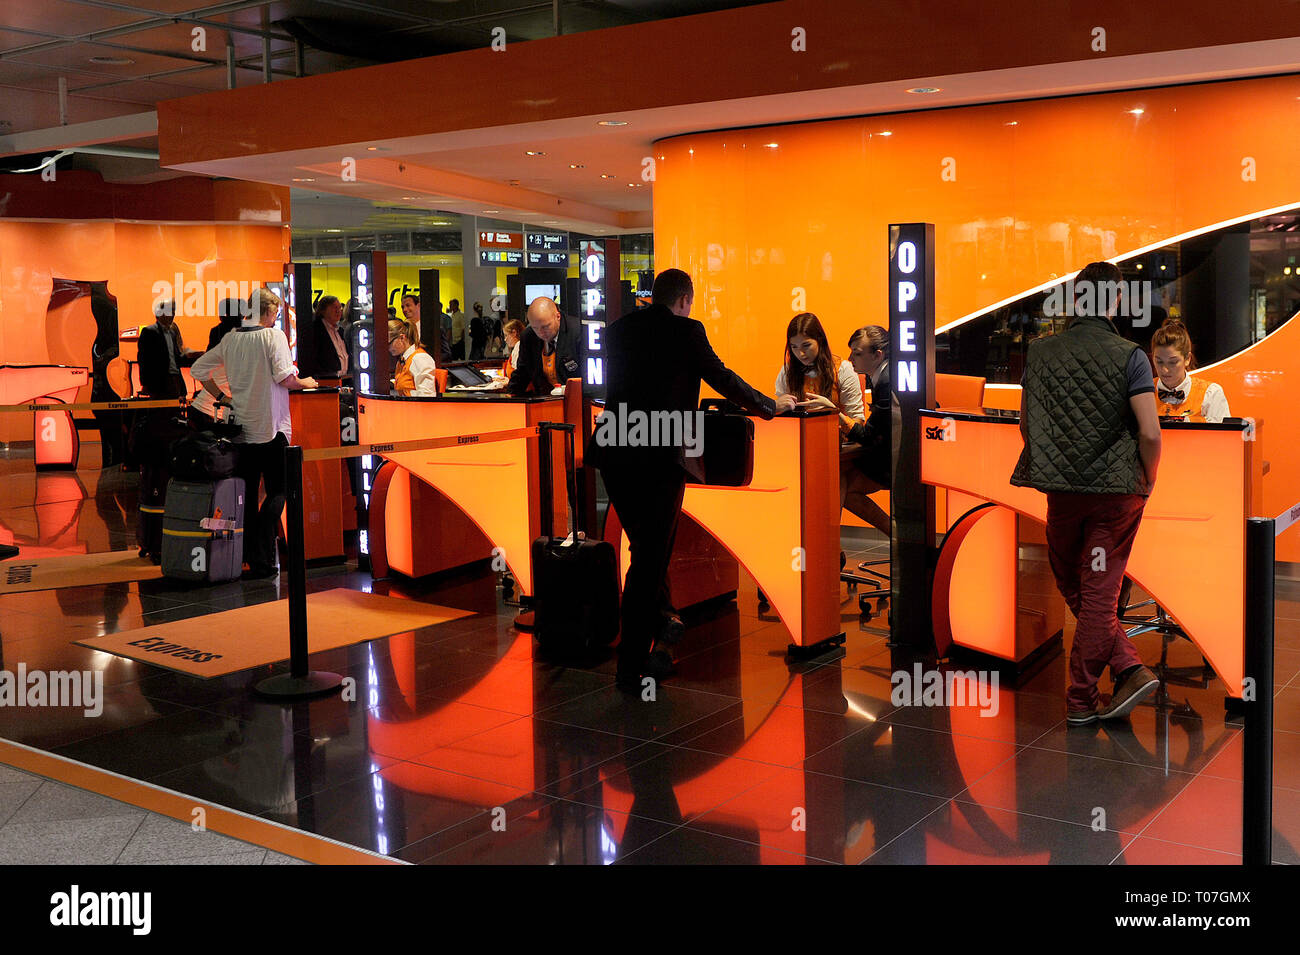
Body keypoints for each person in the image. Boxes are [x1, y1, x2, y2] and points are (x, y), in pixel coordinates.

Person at [591, 268, 798, 689]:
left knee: (647, 550)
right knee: (649, 560)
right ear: (685, 300)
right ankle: (631, 667)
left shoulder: (618, 330)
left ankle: (664, 628)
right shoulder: (687, 331)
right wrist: (768, 406)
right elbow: (720, 377)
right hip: (659, 457)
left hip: (614, 452)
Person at [1011, 261, 1161, 725]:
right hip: (1117, 493)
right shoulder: (1130, 355)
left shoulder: (1039, 353)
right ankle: (1103, 683)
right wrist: (1149, 477)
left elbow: (1025, 425)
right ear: (1115, 300)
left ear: (1077, 299)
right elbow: (1150, 433)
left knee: (1071, 579)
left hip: (1063, 492)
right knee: (1097, 590)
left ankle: (1107, 681)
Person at [190, 288, 318, 579]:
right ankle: (262, 552)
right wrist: (306, 382)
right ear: (271, 312)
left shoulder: (231, 338)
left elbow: (198, 370)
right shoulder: (273, 337)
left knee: (245, 496)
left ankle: (247, 557)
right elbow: (285, 378)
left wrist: (222, 398)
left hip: (241, 430)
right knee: (280, 489)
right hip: (272, 428)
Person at [776, 312, 866, 522]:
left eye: (806, 345)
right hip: (800, 447)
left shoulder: (842, 369)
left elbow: (857, 420)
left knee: (836, 476)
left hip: (838, 449)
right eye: (794, 347)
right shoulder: (788, 371)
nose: (801, 353)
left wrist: (832, 412)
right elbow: (781, 415)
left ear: (820, 341)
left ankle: (828, 538)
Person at [841, 325, 891, 533]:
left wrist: (836, 414)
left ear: (878, 355)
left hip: (898, 462)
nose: (851, 358)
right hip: (889, 452)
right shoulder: (883, 375)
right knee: (838, 476)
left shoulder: (887, 382)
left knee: (841, 486)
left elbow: (869, 437)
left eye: (858, 353)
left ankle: (895, 534)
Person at [1150, 318, 1229, 422]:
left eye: (1173, 362)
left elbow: (1222, 436)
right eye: (1159, 362)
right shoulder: (1144, 392)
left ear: (1187, 359)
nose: (1165, 370)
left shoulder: (1210, 394)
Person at [507, 297, 581, 396]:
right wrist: (509, 399)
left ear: (558, 316)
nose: (541, 333)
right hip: (544, 402)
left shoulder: (579, 331)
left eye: (545, 327)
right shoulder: (528, 336)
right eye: (535, 328)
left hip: (576, 399)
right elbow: (522, 374)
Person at [138, 299, 196, 399]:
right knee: (162, 412)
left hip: (175, 380)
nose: (173, 314)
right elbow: (143, 359)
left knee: (174, 411)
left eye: (174, 311)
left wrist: (191, 356)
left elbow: (176, 359)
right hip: (159, 382)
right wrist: (145, 384)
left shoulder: (172, 333)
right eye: (170, 311)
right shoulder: (149, 332)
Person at [388, 319, 437, 397]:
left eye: (389, 343)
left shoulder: (420, 359)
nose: (388, 348)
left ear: (402, 338)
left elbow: (427, 397)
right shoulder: (402, 360)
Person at [307, 295, 349, 380]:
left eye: (340, 307)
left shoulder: (340, 330)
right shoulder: (316, 330)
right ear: (323, 310)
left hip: (344, 379)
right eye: (334, 308)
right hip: (326, 382)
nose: (338, 311)